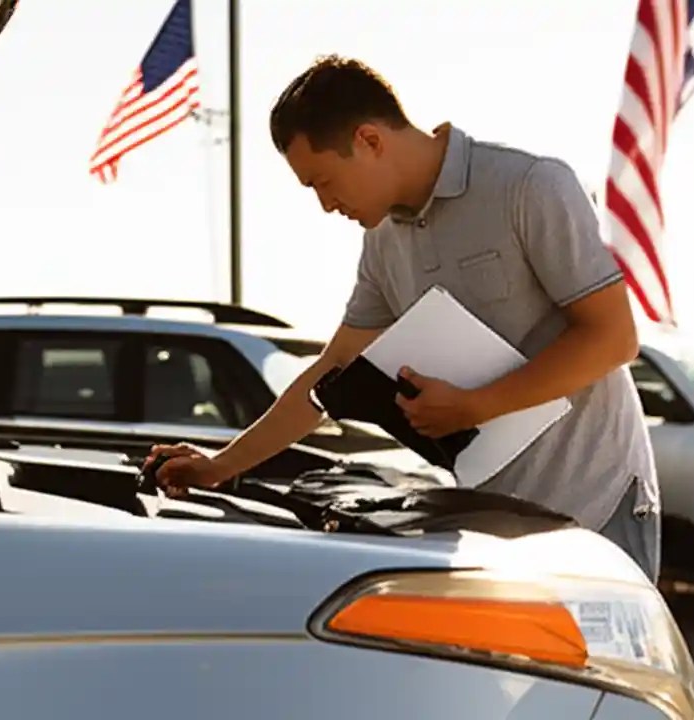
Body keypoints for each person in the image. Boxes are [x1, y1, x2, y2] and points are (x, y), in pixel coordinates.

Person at [146, 54, 661, 581]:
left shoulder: (530, 186)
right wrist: (221, 465)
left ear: (369, 140)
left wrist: (475, 406)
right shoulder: (381, 241)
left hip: (598, 510)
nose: (325, 205)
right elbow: (334, 370)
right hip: (494, 527)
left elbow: (613, 339)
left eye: (323, 181)